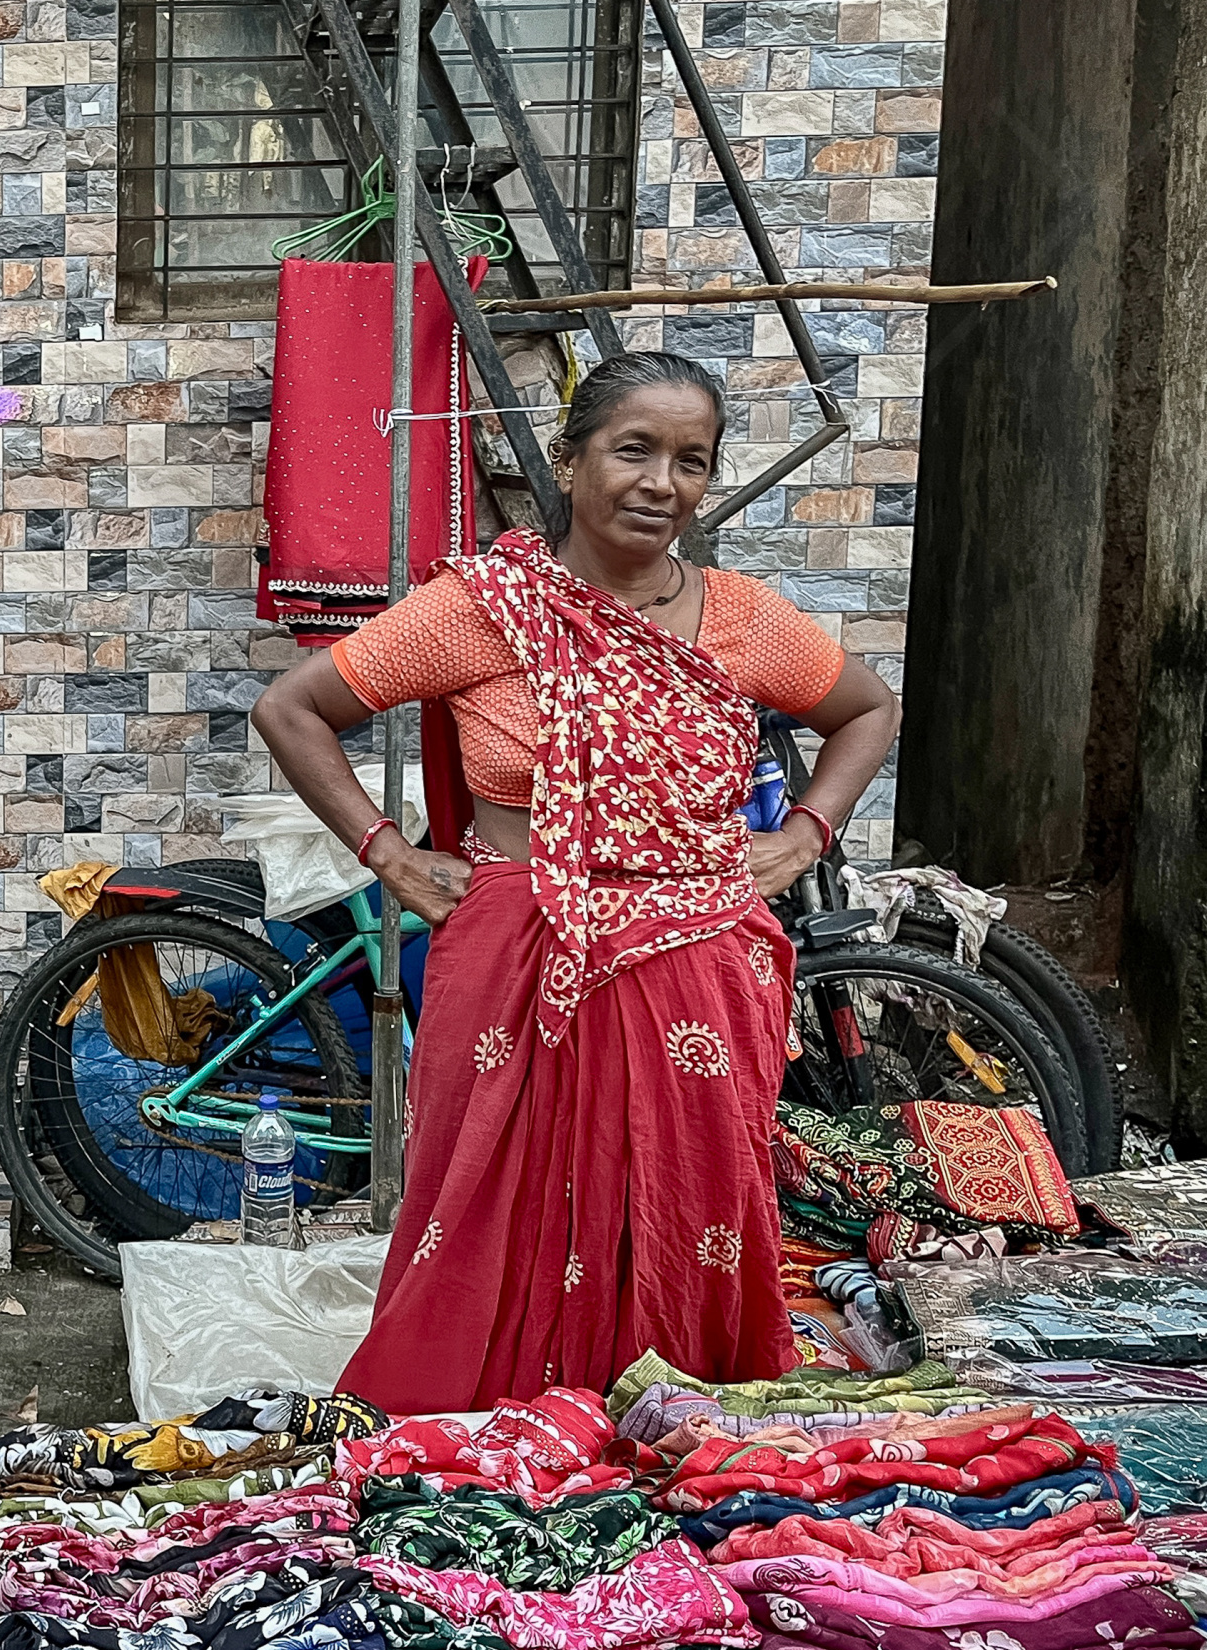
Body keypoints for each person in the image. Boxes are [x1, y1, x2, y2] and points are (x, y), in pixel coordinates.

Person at [251, 350, 903, 1414]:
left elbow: (865, 708)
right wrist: (390, 855)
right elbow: (294, 706)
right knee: (493, 1204)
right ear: (569, 458)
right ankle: (485, 1425)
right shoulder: (483, 610)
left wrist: (803, 836)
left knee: (681, 1202)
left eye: (690, 460)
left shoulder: (741, 617)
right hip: (518, 945)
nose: (661, 482)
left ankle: (669, 1424)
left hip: (696, 956)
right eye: (632, 449)